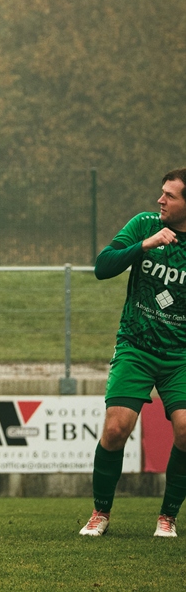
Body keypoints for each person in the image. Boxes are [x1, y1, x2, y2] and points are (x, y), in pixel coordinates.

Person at [80, 168, 186, 538]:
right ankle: (100, 513)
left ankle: (167, 517)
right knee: (115, 429)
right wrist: (145, 245)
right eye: (162, 193)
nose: (160, 200)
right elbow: (101, 267)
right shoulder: (144, 225)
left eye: (170, 196)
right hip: (136, 347)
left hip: (180, 357)